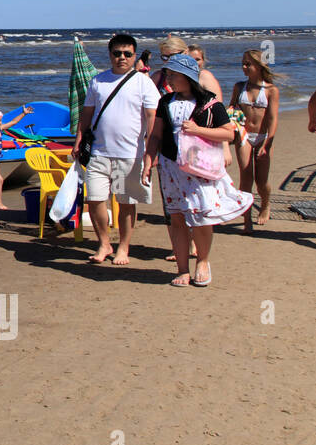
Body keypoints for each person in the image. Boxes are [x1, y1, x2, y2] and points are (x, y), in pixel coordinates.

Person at [142, 54, 252, 286]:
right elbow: (156, 135)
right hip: (171, 167)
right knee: (177, 217)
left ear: (187, 77)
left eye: (173, 75)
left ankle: (202, 261)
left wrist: (198, 130)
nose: (168, 78)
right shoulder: (165, 102)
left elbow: (228, 133)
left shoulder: (210, 103)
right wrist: (148, 161)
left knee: (201, 217)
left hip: (200, 168)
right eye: (168, 74)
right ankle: (182, 269)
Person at [73, 33, 160, 266]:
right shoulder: (98, 81)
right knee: (95, 199)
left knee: (125, 201)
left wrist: (152, 151)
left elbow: (152, 118)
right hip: (100, 154)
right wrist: (78, 139)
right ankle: (104, 243)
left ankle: (123, 246)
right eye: (117, 53)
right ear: (110, 54)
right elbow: (87, 114)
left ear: (134, 56)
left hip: (128, 155)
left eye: (127, 54)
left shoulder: (143, 82)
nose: (122, 58)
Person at [229, 49, 280, 231]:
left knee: (261, 181)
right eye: (243, 63)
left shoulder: (271, 90)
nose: (244, 67)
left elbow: (273, 119)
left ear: (259, 66)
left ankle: (265, 204)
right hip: (244, 135)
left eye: (248, 64)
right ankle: (247, 220)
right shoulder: (239, 87)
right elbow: (232, 108)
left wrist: (268, 143)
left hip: (263, 137)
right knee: (245, 177)